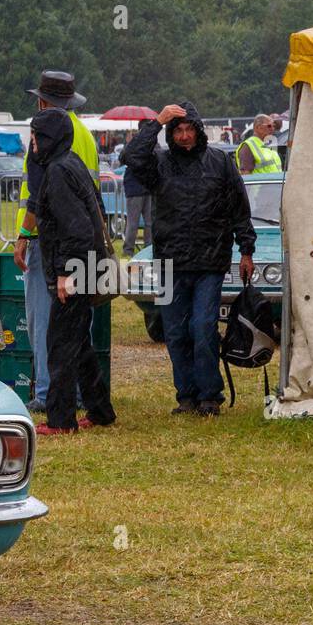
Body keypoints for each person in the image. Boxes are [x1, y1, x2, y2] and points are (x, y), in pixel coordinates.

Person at [122, 102, 256, 416]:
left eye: (188, 129)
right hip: (170, 262)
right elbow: (130, 157)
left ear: (198, 130)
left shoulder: (220, 162)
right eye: (178, 130)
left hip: (210, 262)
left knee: (203, 327)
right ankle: (186, 395)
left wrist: (246, 249)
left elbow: (239, 208)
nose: (183, 136)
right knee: (175, 332)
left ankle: (210, 395)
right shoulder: (159, 164)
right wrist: (157, 122)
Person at [12, 70, 99, 414]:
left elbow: (38, 195)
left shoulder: (46, 132)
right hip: (82, 243)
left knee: (45, 320)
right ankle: (78, 392)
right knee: (76, 323)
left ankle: (50, 392)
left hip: (49, 241)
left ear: (42, 102)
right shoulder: (84, 135)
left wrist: (24, 235)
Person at [27, 109, 117, 436]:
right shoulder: (72, 163)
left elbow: (75, 227)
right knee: (79, 344)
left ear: (48, 138)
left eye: (36, 136)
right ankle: (100, 410)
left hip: (75, 269)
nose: (32, 143)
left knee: (61, 345)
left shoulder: (58, 171)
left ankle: (60, 420)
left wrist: (66, 273)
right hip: (87, 264)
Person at [121, 133, 151, 257]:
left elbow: (122, 158)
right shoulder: (151, 145)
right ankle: (149, 248)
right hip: (148, 187)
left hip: (135, 188)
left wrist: (129, 144)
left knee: (133, 222)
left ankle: (128, 250)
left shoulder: (132, 148)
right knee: (149, 222)